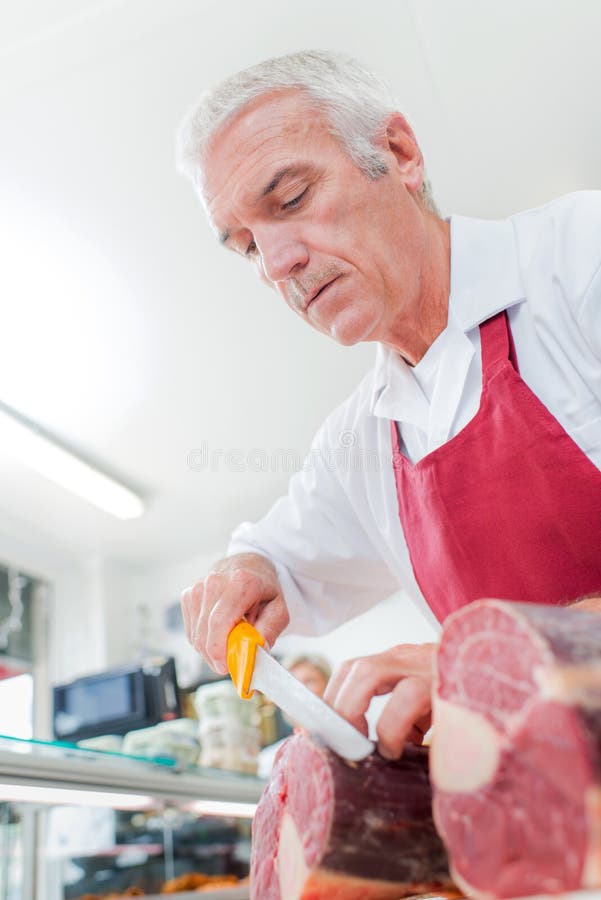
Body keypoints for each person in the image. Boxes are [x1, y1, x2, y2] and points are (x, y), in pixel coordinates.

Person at [178, 50, 601, 760]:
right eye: (247, 246)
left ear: (399, 154)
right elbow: (275, 562)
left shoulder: (579, 256)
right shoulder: (360, 443)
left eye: (290, 199)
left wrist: (502, 662)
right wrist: (245, 573)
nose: (277, 264)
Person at [256, 653, 331, 777]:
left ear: (328, 686)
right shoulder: (268, 760)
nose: (300, 689)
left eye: (309, 681)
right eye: (293, 683)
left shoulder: (348, 748)